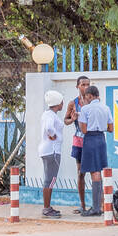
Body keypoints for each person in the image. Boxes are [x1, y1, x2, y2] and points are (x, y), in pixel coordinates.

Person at [76, 85, 114, 217]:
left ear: (90, 96)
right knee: (100, 170)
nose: (85, 99)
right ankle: (101, 205)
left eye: (86, 96)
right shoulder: (106, 108)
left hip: (90, 139)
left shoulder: (85, 109)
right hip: (101, 139)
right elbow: (110, 128)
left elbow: (84, 130)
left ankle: (96, 207)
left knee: (94, 172)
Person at [63, 75, 90, 214]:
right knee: (80, 173)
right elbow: (65, 120)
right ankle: (82, 205)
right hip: (79, 140)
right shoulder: (73, 103)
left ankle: (101, 204)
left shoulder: (94, 101)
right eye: (83, 85)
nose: (86, 87)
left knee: (96, 172)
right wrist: (72, 119)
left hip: (91, 140)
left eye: (87, 84)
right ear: (77, 86)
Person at [39, 90, 65, 219]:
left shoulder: (48, 114)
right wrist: (53, 135)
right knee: (51, 180)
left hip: (47, 151)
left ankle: (47, 207)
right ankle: (46, 208)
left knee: (49, 179)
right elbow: (49, 128)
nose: (63, 103)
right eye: (61, 101)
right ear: (57, 103)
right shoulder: (50, 116)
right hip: (52, 151)